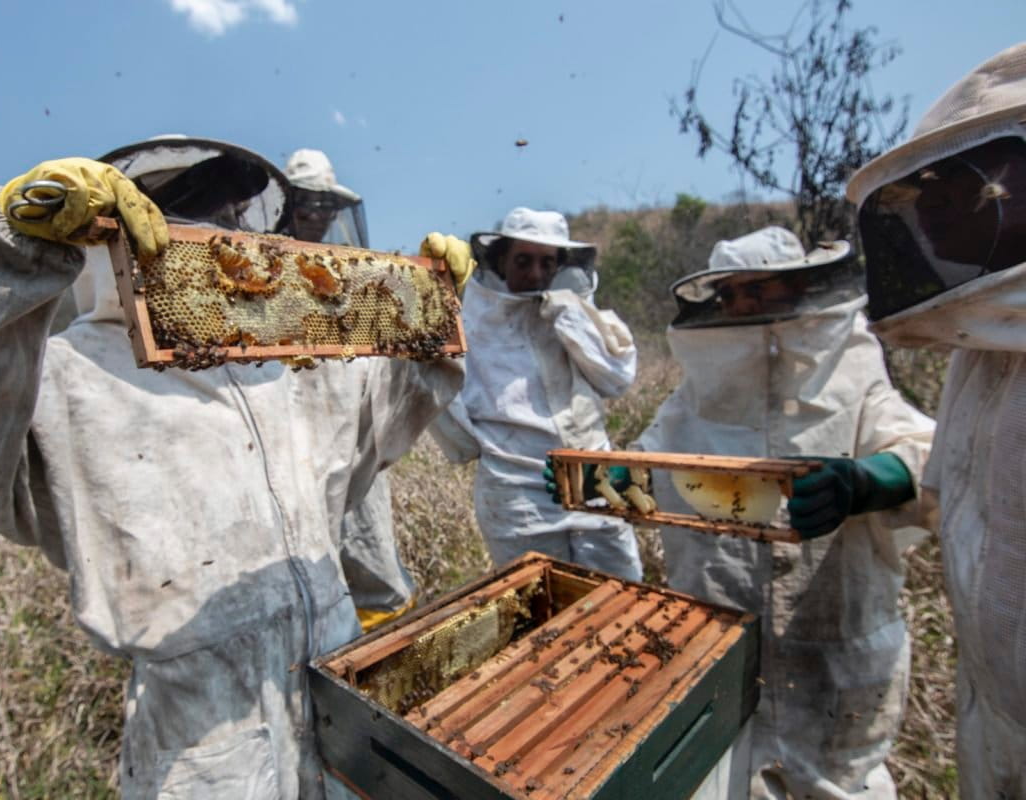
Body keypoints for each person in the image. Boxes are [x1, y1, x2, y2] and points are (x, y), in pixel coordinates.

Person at [0, 136, 473, 800]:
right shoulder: (63, 378)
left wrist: (425, 322)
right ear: (112, 226)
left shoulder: (296, 369)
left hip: (342, 690)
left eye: (230, 214)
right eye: (186, 207)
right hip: (207, 737)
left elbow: (380, 427)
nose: (214, 231)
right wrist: (8, 234)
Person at [628, 226, 935, 799]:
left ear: (800, 292)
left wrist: (870, 480)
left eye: (762, 290)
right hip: (720, 649)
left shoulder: (853, 376)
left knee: (845, 788)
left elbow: (929, 456)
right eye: (735, 295)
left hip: (832, 656)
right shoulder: (698, 394)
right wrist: (615, 474)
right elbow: (649, 459)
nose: (747, 306)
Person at [846, 42, 1026, 799]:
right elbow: (973, 499)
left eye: (963, 181)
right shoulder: (981, 351)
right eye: (928, 192)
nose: (936, 208)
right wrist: (891, 479)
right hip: (995, 712)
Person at [430, 207, 643, 580]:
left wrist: (569, 317)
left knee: (621, 593)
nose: (535, 274)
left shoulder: (576, 309)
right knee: (540, 605)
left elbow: (616, 379)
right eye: (523, 261)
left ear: (561, 265)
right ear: (500, 260)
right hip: (517, 491)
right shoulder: (471, 320)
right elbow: (441, 395)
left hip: (595, 477)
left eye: (547, 262)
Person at [283, 147, 416, 630]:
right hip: (290, 446)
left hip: (354, 439)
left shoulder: (351, 284)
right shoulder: (263, 279)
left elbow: (381, 371)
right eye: (305, 203)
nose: (316, 216)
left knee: (370, 557)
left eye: (326, 207)